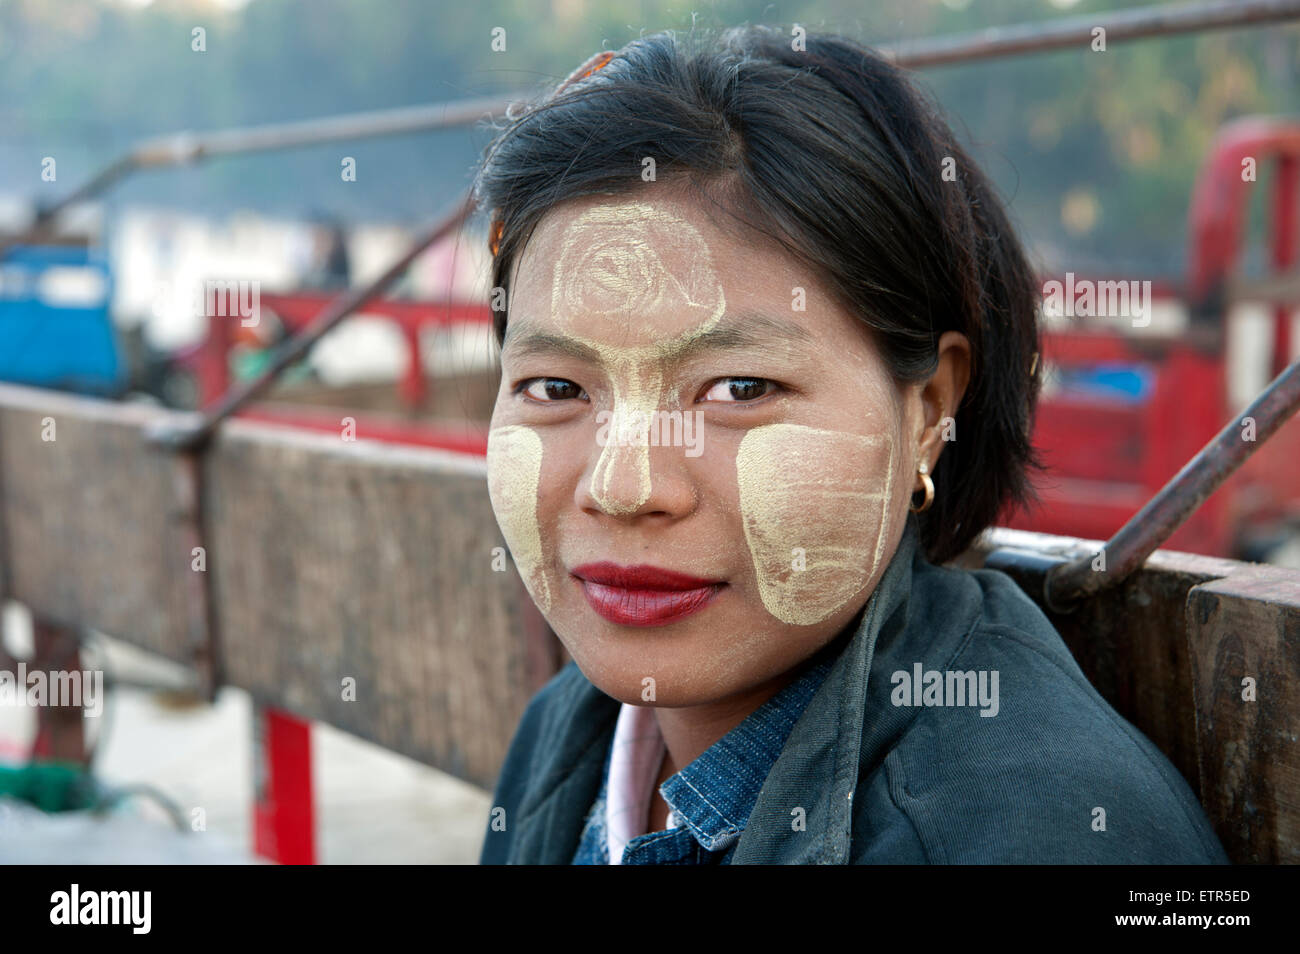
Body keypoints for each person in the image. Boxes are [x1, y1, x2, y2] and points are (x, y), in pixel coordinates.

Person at [473, 26, 1229, 864]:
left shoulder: (1039, 834)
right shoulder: (570, 728)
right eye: (557, 388)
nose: (622, 486)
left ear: (927, 411)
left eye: (739, 389)